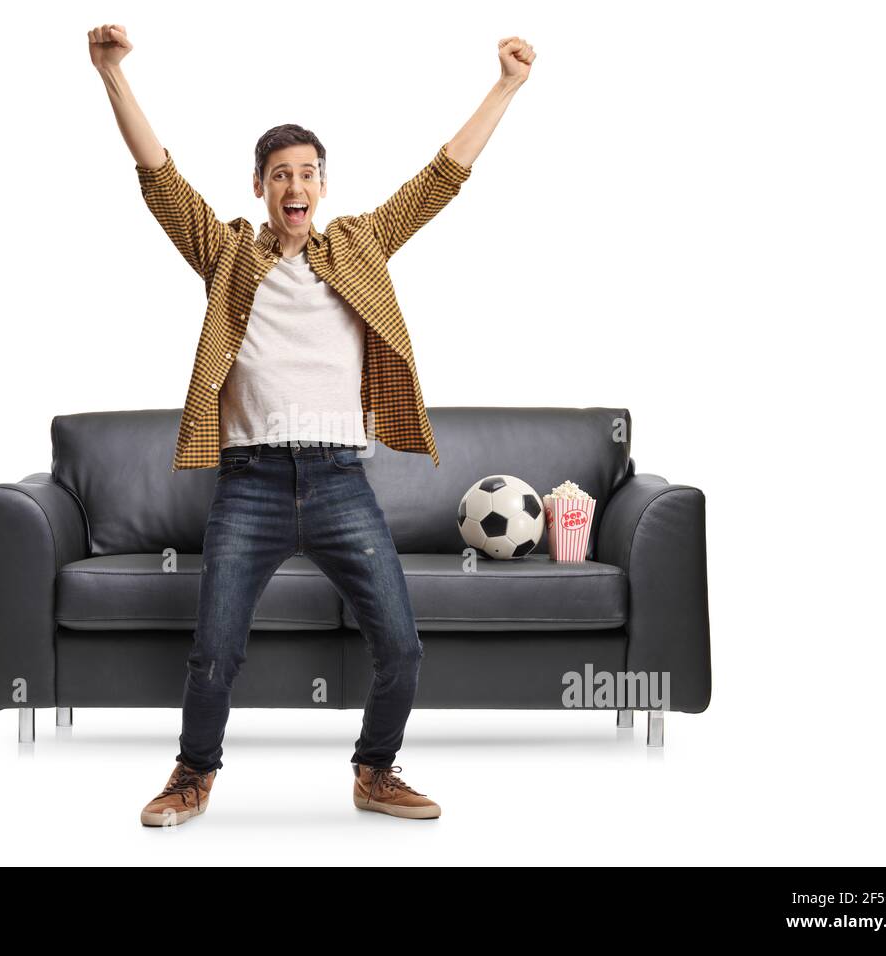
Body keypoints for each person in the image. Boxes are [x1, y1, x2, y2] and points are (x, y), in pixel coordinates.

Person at [87, 23, 535, 826]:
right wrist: (111, 72)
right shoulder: (226, 255)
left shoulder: (361, 245)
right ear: (260, 186)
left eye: (308, 174)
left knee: (400, 645)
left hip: (338, 481)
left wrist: (504, 86)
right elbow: (159, 176)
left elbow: (440, 180)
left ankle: (375, 770)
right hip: (251, 484)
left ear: (321, 187)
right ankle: (193, 775)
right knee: (215, 650)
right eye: (280, 174)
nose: (296, 186)